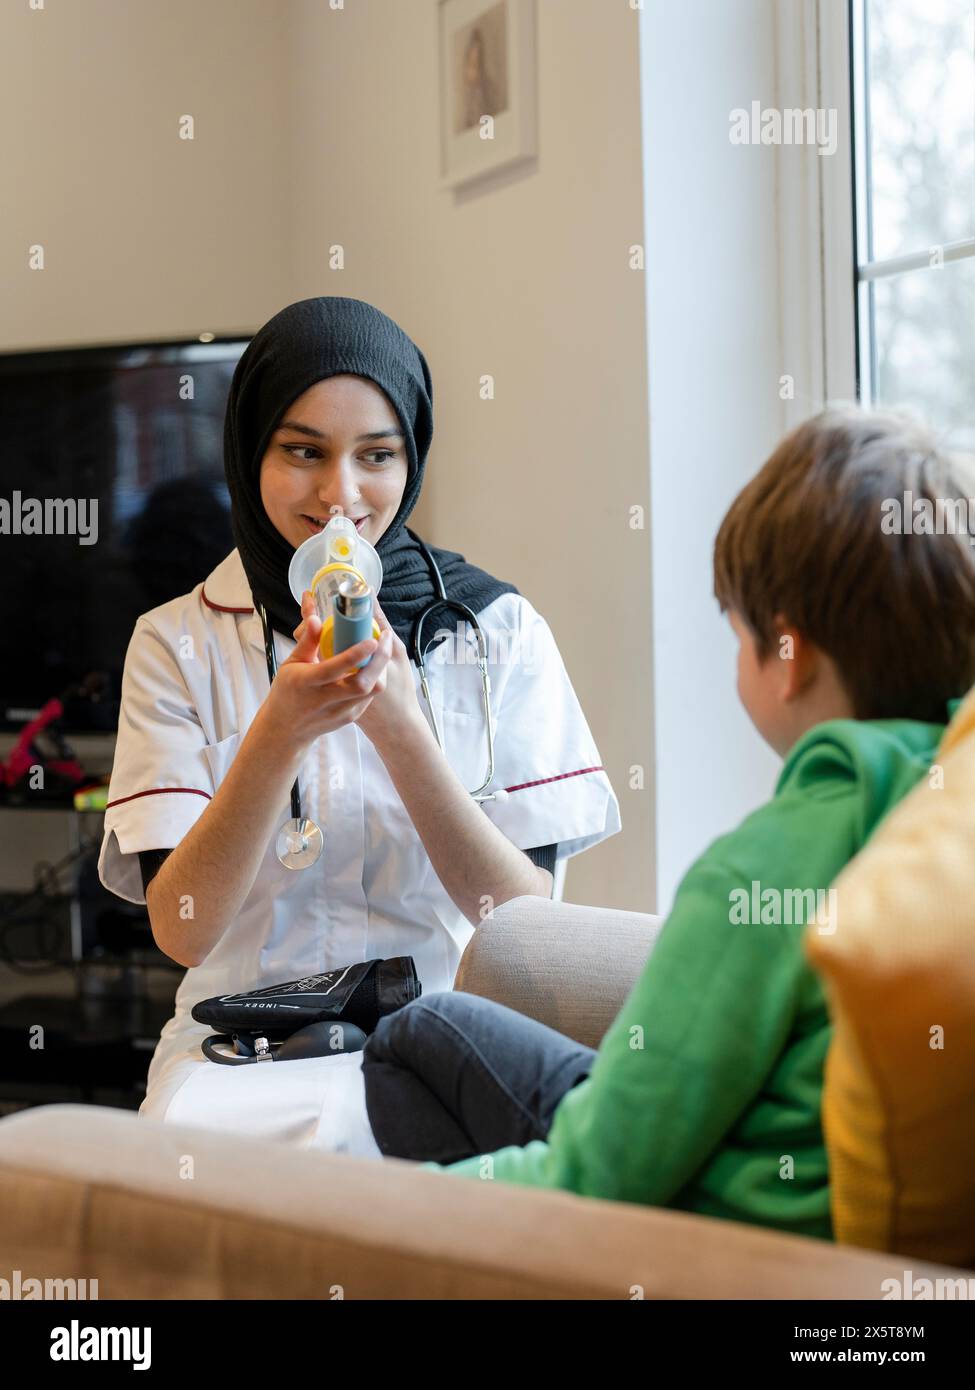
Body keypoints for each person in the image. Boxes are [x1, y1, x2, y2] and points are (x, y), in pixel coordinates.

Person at [361, 406, 975, 1239]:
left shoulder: (761, 869)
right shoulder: (946, 799)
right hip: (746, 1155)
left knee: (404, 1048)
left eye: (737, 632)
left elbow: (595, 1176)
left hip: (703, 1229)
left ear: (787, 657)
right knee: (429, 1027)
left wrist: (375, 1216)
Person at [97, 296, 621, 1149]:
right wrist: (280, 731)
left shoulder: (494, 629)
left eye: (376, 456)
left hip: (442, 1043)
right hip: (237, 1057)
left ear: (411, 460)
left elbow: (521, 922)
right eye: (303, 451)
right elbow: (184, 929)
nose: (340, 496)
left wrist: (400, 727)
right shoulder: (175, 641)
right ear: (247, 451)